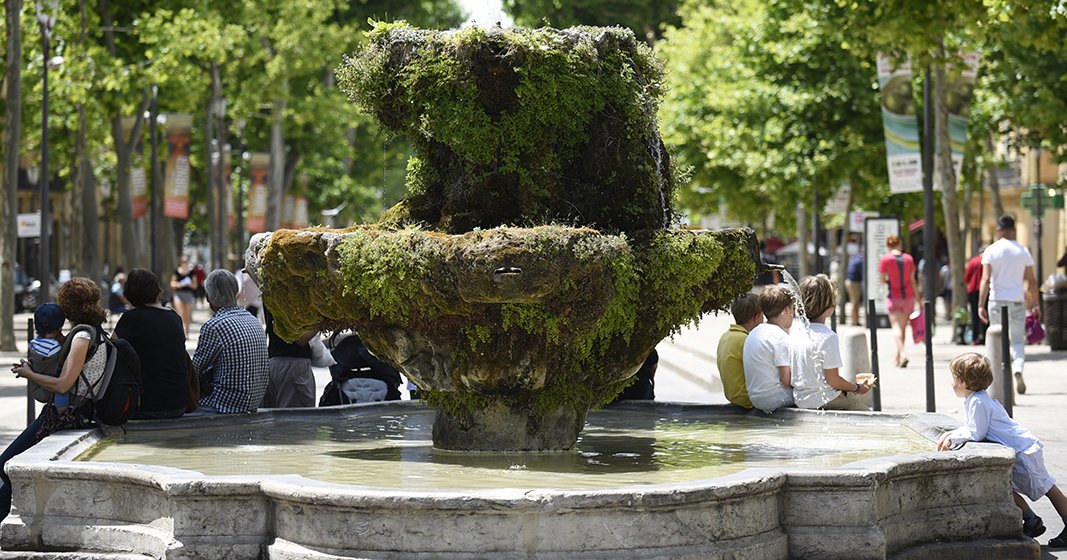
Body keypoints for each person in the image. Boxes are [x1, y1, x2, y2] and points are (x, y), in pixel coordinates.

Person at [938, 353, 1067, 548]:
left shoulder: (978, 401)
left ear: (962, 381)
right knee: (1004, 487)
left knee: (1047, 487)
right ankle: (1031, 520)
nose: (951, 383)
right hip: (1018, 451)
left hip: (1024, 451)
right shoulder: (976, 399)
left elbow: (977, 432)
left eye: (953, 378)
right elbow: (974, 426)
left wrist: (953, 438)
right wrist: (953, 433)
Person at [4, 278, 107, 522]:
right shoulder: (94, 331)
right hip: (72, 411)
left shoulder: (82, 336)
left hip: (66, 415)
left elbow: (63, 384)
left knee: (5, 463)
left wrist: (29, 374)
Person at [114, 269, 192, 419]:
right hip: (178, 403)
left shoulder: (130, 319)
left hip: (145, 405)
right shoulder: (174, 316)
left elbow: (111, 352)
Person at [191, 270, 269, 414]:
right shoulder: (253, 320)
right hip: (253, 402)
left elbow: (193, 371)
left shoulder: (215, 326)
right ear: (236, 293)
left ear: (208, 297)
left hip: (226, 405)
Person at [790, 275, 872, 411]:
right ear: (830, 307)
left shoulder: (796, 332)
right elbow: (833, 380)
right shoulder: (827, 337)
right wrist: (857, 387)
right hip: (825, 399)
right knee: (868, 417)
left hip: (800, 399)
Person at [979, 215, 1040, 395]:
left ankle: (997, 381)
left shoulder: (991, 250)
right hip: (1017, 301)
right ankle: (1017, 368)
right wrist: (1036, 304)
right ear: (1013, 230)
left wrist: (980, 305)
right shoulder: (1022, 251)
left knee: (996, 341)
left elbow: (985, 279)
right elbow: (1032, 281)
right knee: (1018, 340)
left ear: (998, 230)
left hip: (997, 300)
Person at [742, 285, 795, 413]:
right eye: (793, 309)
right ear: (787, 309)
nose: (793, 314)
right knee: (811, 396)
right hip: (776, 399)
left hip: (755, 399)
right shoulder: (779, 336)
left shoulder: (754, 332)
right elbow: (787, 381)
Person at [261, 305, 317, 408]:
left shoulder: (271, 296)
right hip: (292, 365)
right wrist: (323, 320)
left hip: (274, 361)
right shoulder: (289, 298)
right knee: (297, 416)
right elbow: (300, 339)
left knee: (276, 416)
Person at [878, 235, 921, 368]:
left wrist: (890, 281)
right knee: (902, 328)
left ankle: (902, 353)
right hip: (908, 297)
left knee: (896, 327)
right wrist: (918, 299)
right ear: (900, 244)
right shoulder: (909, 259)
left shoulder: (886, 259)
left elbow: (882, 280)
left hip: (894, 297)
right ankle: (898, 358)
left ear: (888, 246)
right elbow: (913, 280)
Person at [716, 293, 762, 409]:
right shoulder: (746, 340)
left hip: (733, 397)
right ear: (756, 317)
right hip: (747, 399)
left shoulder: (726, 336)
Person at [28, 303, 68, 410]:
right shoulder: (56, 347)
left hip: (37, 389)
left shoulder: (33, 343)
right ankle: (62, 412)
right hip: (52, 390)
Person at [170, 255, 198, 337]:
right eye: (183, 261)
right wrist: (178, 284)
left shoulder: (192, 272)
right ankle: (181, 331)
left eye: (186, 261)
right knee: (180, 313)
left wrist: (189, 284)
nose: (184, 263)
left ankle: (187, 331)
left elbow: (195, 285)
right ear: (180, 262)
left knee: (187, 314)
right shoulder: (176, 272)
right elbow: (172, 283)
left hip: (188, 294)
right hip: (178, 294)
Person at [964, 247, 987, 346]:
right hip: (986, 291)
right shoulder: (988, 261)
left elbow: (967, 277)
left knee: (974, 315)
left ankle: (974, 338)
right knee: (986, 315)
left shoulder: (973, 261)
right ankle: (985, 338)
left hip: (973, 290)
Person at [846, 251, 864, 326]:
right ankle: (854, 321)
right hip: (854, 282)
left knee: (854, 302)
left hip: (850, 281)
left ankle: (855, 320)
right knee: (855, 302)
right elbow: (862, 273)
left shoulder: (854, 258)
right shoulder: (860, 261)